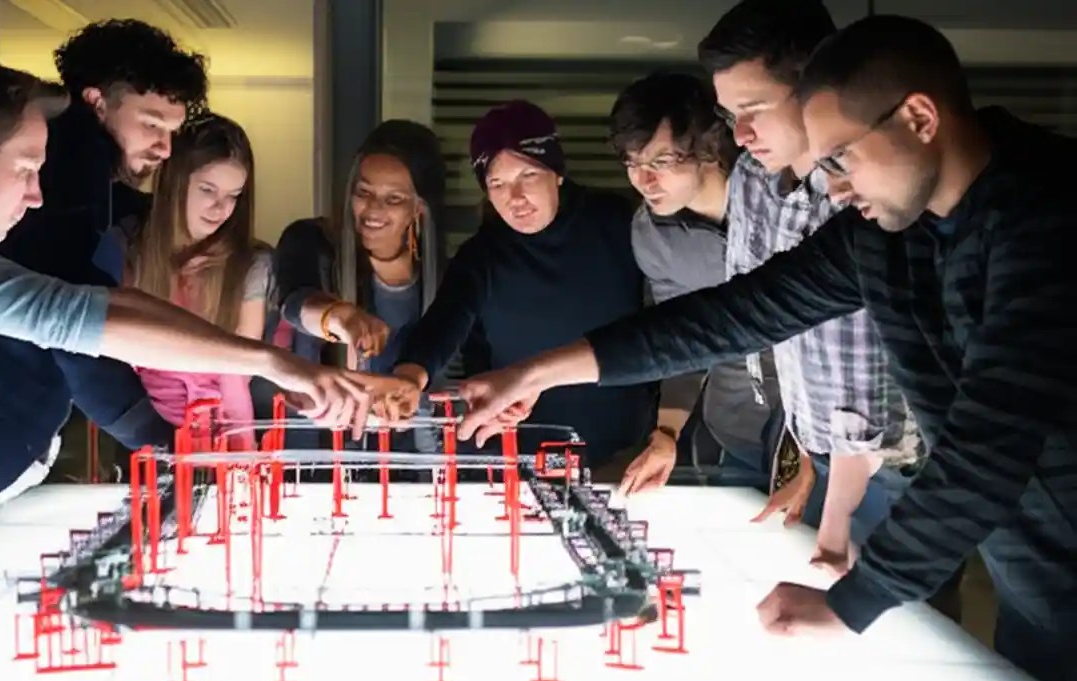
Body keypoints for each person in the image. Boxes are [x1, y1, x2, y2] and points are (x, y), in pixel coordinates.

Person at [454, 16, 1077, 681]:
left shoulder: (1043, 218)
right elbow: (737, 314)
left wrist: (855, 603)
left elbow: (990, 444)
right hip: (1032, 581)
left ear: (919, 119)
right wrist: (539, 370)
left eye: (840, 156)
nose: (832, 188)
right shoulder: (886, 232)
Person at [0, 53, 377, 620]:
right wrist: (274, 364)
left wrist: (271, 362)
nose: (36, 194)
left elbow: (101, 303)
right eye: (26, 169)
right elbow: (72, 316)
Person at [0, 19, 207, 515]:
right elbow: (71, 313)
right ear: (97, 101)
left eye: (171, 131)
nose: (165, 149)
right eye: (151, 124)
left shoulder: (82, 166)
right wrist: (159, 440)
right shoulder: (74, 152)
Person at [695, 0, 914, 572]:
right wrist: (800, 460)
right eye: (728, 115)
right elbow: (758, 326)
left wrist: (837, 523)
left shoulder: (860, 187)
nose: (739, 134)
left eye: (755, 109)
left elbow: (860, 378)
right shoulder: (750, 176)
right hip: (818, 451)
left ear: (817, 87)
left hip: (887, 464)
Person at [380, 100, 659, 475]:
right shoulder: (483, 254)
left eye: (527, 176)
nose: (515, 199)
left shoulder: (619, 223)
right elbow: (445, 320)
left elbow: (669, 317)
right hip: (520, 459)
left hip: (626, 455)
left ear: (557, 172)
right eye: (497, 183)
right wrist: (409, 377)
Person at [608, 70, 785, 494]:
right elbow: (684, 337)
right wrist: (666, 433)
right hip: (740, 432)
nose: (644, 181)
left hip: (828, 437)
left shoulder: (780, 203)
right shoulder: (653, 234)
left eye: (661, 162)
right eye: (632, 163)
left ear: (707, 146)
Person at [267, 119, 447, 454]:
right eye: (364, 192)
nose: (373, 210)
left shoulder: (444, 277)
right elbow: (294, 300)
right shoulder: (310, 241)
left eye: (393, 199)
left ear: (419, 208)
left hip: (416, 462)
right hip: (317, 453)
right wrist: (339, 317)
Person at [114, 113, 270, 450]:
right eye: (208, 190)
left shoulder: (251, 264)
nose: (220, 208)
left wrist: (241, 453)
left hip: (222, 433)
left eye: (234, 196)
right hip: (141, 436)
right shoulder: (130, 248)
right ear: (176, 182)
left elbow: (236, 372)